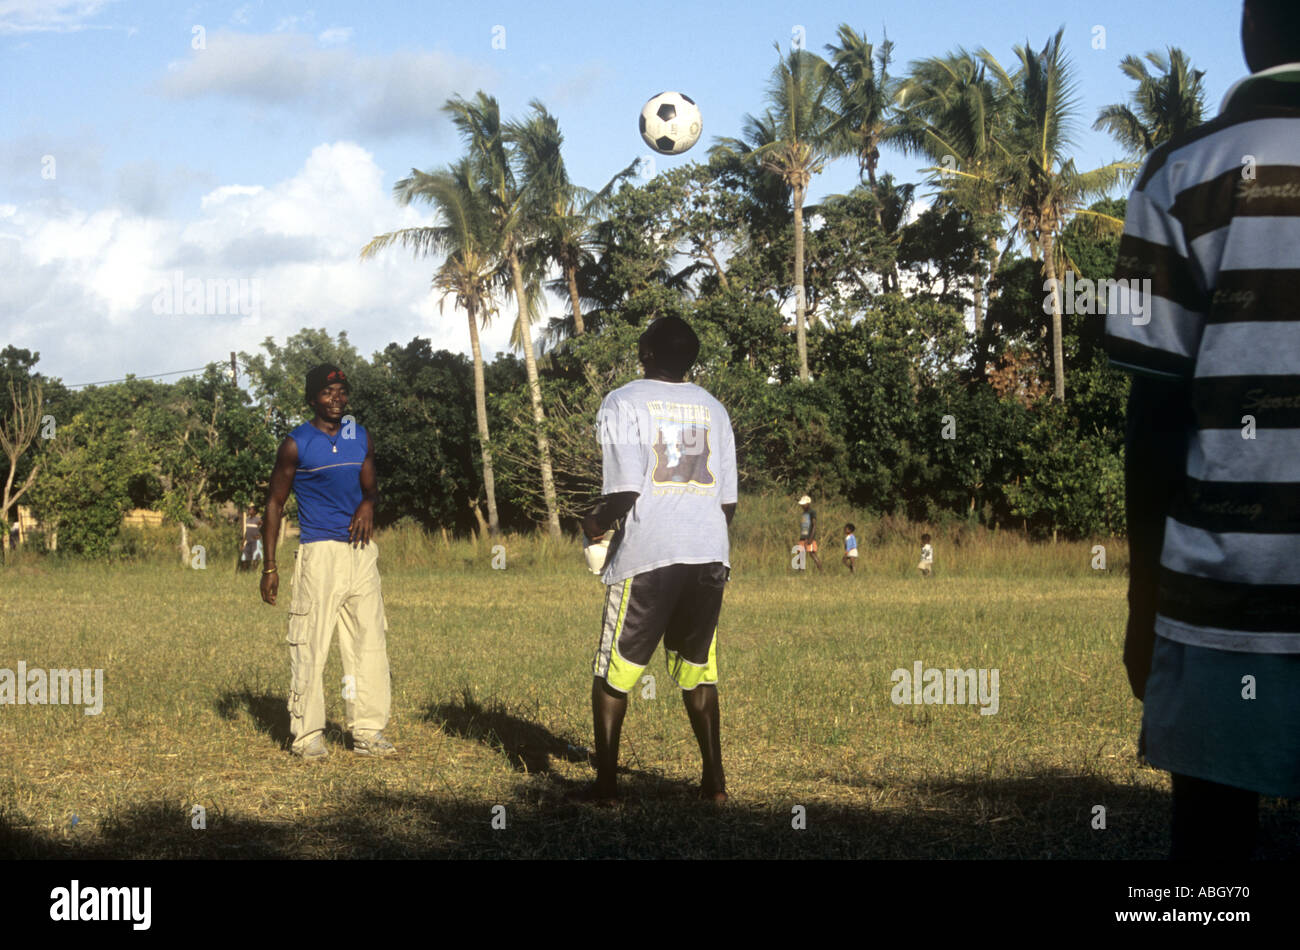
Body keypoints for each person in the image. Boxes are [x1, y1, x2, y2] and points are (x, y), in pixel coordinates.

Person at [1105, 0, 1300, 859]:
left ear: (1253, 32)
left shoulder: (1180, 171)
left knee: (1212, 850)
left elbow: (1153, 412)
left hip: (1220, 586)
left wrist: (1145, 593)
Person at [580, 315, 737, 804]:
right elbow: (728, 502)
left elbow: (625, 488)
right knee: (698, 669)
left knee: (613, 674)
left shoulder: (623, 400)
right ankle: (714, 784)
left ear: (645, 352)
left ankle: (606, 789)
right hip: (710, 551)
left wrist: (592, 523)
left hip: (651, 552)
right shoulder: (715, 408)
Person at [259, 365, 394, 760]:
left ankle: (368, 732)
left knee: (369, 643)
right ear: (312, 398)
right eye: (327, 392)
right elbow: (274, 503)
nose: (337, 398)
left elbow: (371, 488)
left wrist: (368, 504)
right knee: (311, 645)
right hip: (319, 555)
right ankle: (309, 736)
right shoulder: (296, 443)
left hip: (361, 554)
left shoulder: (359, 436)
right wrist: (270, 566)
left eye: (342, 391)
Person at [796, 495, 822, 571]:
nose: (802, 506)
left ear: (808, 504)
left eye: (804, 504)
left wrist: (810, 538)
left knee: (812, 554)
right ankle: (800, 571)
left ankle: (821, 572)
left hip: (809, 537)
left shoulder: (812, 512)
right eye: (802, 504)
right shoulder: (804, 513)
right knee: (800, 554)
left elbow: (814, 526)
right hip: (802, 537)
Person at [238, 504, 263, 573]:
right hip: (248, 541)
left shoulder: (258, 520)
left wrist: (259, 535)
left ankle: (253, 571)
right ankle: (244, 572)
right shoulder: (247, 520)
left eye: (251, 509)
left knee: (255, 557)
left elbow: (264, 528)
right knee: (244, 557)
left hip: (256, 542)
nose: (249, 511)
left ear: (255, 511)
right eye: (249, 509)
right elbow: (246, 531)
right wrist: (243, 542)